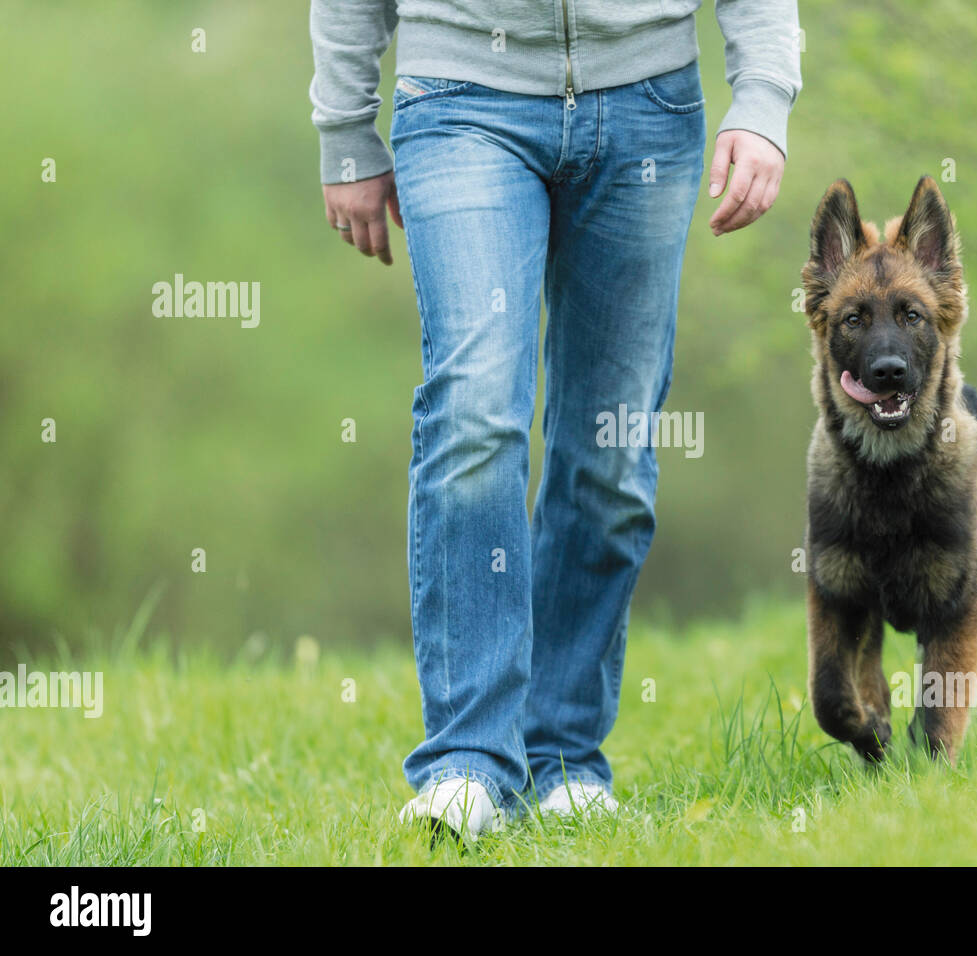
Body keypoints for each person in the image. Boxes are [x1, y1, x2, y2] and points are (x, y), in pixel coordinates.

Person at [309, 0, 801, 840]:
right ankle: (468, 761)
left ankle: (564, 753)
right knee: (474, 407)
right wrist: (346, 126)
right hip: (462, 98)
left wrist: (763, 98)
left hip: (648, 105)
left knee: (608, 453)